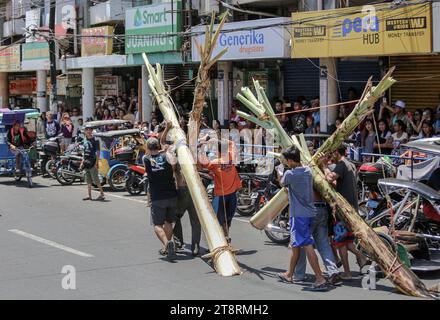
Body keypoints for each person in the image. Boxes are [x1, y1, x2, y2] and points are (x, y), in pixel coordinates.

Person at [276, 146, 329, 291]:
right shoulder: (307, 171)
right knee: (295, 245)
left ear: (291, 161)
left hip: (299, 214)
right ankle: (289, 274)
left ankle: (319, 278)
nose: (286, 163)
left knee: (306, 245)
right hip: (309, 212)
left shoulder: (290, 174)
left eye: (287, 161)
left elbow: (282, 183)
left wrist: (280, 172)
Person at [324, 145, 369, 280]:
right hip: (352, 209)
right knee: (348, 241)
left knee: (340, 243)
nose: (332, 156)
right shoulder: (351, 164)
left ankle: (348, 272)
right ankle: (361, 257)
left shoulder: (342, 164)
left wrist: (324, 166)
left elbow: (330, 178)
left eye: (333, 153)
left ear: (337, 152)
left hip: (343, 212)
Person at [198, 136, 241, 241]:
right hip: (232, 194)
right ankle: (226, 237)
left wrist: (202, 146)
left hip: (221, 196)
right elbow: (233, 144)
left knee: (216, 220)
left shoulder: (215, 162)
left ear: (217, 150)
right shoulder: (231, 156)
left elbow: (201, 165)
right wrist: (221, 140)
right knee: (227, 220)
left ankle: (218, 240)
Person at [143, 137, 178, 260]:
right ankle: (167, 247)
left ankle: (167, 244)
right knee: (168, 222)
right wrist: (165, 151)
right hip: (171, 194)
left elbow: (148, 164)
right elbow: (173, 167)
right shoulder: (166, 156)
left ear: (148, 147)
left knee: (157, 224)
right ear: (158, 146)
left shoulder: (146, 159)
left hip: (158, 196)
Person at [80, 126, 105, 201]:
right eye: (86, 130)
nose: (88, 131)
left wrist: (96, 163)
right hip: (86, 162)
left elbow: (98, 152)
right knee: (88, 180)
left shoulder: (95, 140)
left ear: (91, 131)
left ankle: (102, 194)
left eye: (89, 130)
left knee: (96, 180)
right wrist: (82, 162)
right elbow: (84, 153)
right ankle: (89, 195)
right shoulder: (84, 140)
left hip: (93, 162)